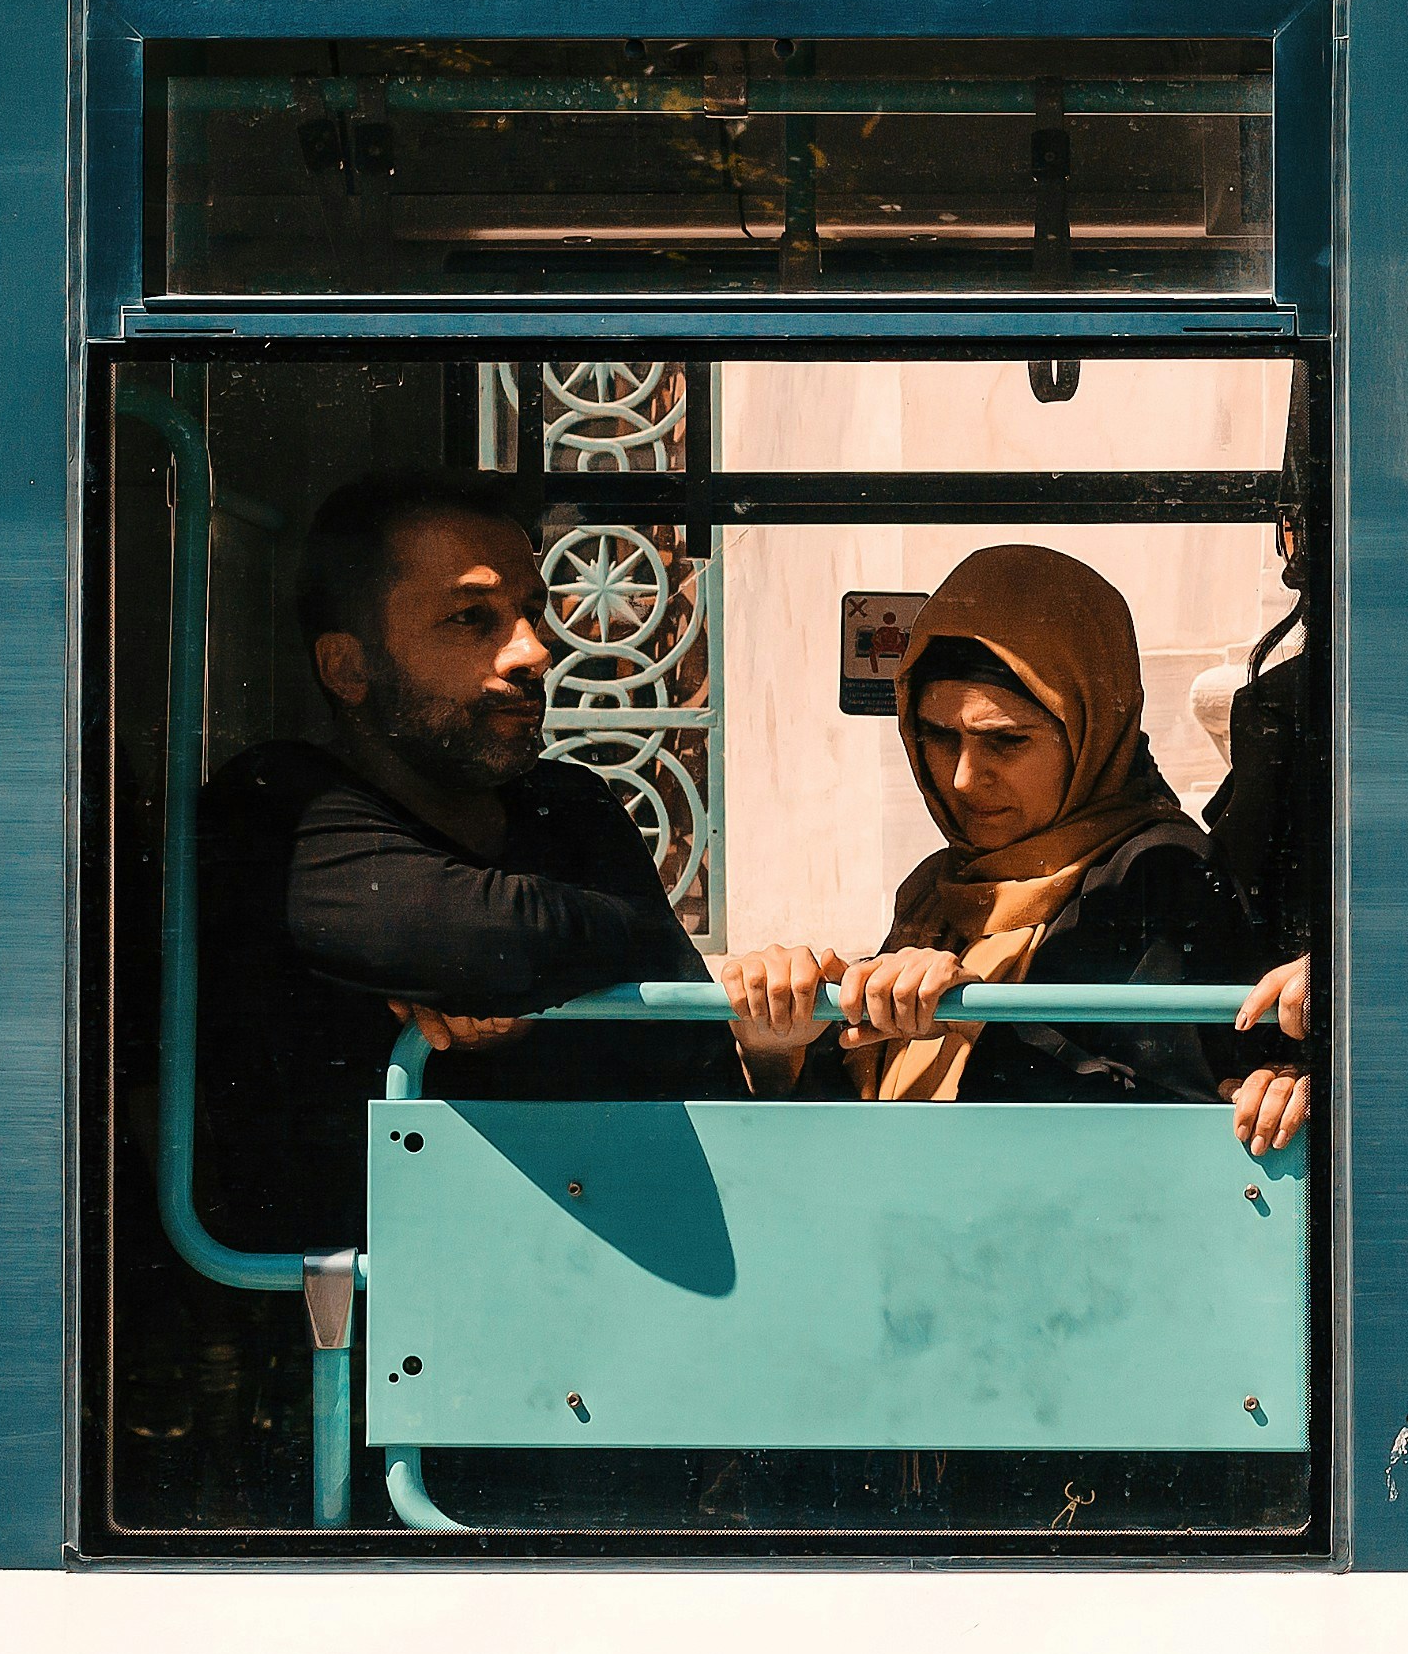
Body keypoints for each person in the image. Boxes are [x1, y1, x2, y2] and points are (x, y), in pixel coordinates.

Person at [191, 471, 797, 1261]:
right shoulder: (278, 804)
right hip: (368, 1329)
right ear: (348, 667)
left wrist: (522, 1011)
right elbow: (499, 941)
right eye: (471, 618)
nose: (534, 651)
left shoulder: (569, 802)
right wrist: (574, 960)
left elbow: (686, 1056)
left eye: (532, 612)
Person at [721, 544, 1303, 1142]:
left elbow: (1157, 1121)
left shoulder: (1154, 875)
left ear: (1089, 731)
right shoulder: (936, 891)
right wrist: (780, 1040)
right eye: (938, 737)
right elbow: (851, 1134)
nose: (963, 778)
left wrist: (971, 1018)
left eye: (1005, 742)